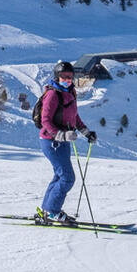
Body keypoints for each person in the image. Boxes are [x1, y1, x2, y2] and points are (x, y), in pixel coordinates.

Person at [36, 60, 95, 224]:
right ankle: (53, 211)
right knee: (67, 178)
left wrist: (85, 132)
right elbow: (45, 120)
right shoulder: (53, 95)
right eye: (63, 77)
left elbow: (73, 116)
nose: (67, 80)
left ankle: (47, 210)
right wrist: (61, 135)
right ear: (57, 77)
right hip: (51, 142)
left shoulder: (70, 92)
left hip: (63, 142)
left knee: (59, 175)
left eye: (70, 77)